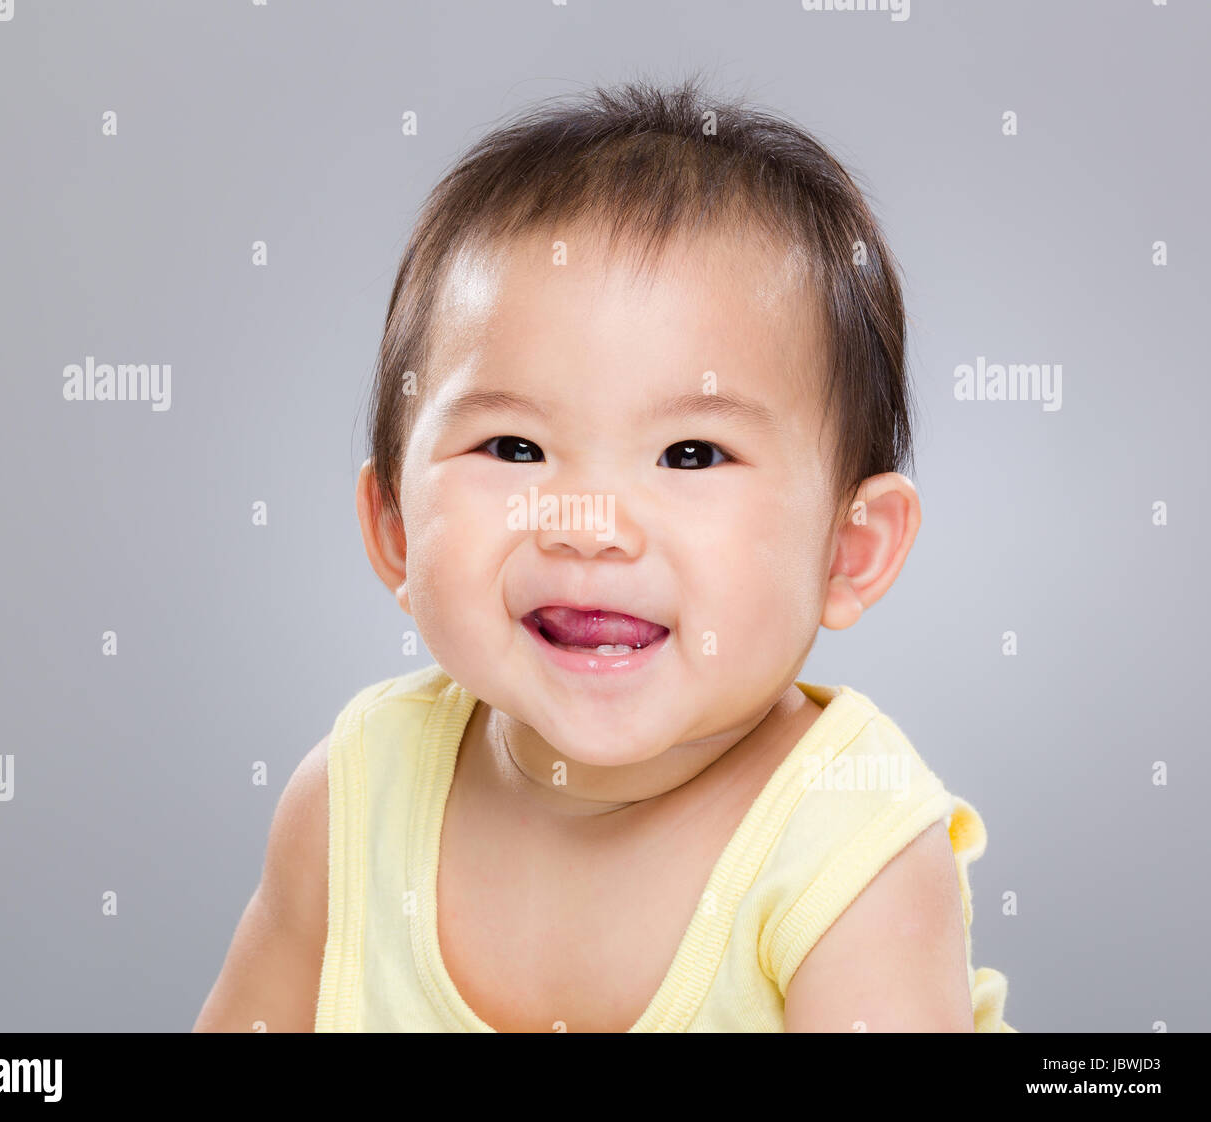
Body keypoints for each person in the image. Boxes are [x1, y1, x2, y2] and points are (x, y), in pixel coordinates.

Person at [194, 75, 1015, 1033]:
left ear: (849, 551)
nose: (590, 522)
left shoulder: (848, 847)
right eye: (514, 449)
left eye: (692, 454)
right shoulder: (350, 803)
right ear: (395, 529)